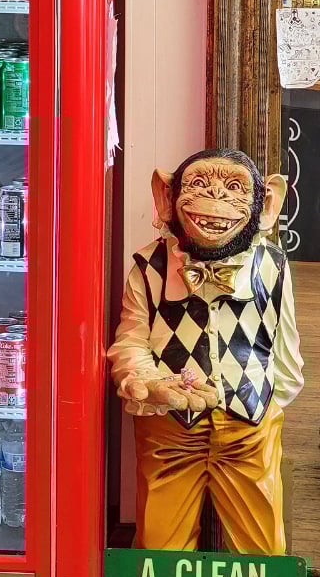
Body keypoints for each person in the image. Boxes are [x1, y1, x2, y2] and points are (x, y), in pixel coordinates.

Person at [108, 148, 304, 554]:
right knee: (160, 549)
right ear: (167, 196)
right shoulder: (149, 266)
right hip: (169, 427)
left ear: (266, 203)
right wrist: (147, 383)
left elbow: (285, 347)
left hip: (249, 425)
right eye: (198, 184)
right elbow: (131, 340)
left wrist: (266, 408)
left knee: (263, 551)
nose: (216, 197)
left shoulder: (273, 266)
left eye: (234, 187)